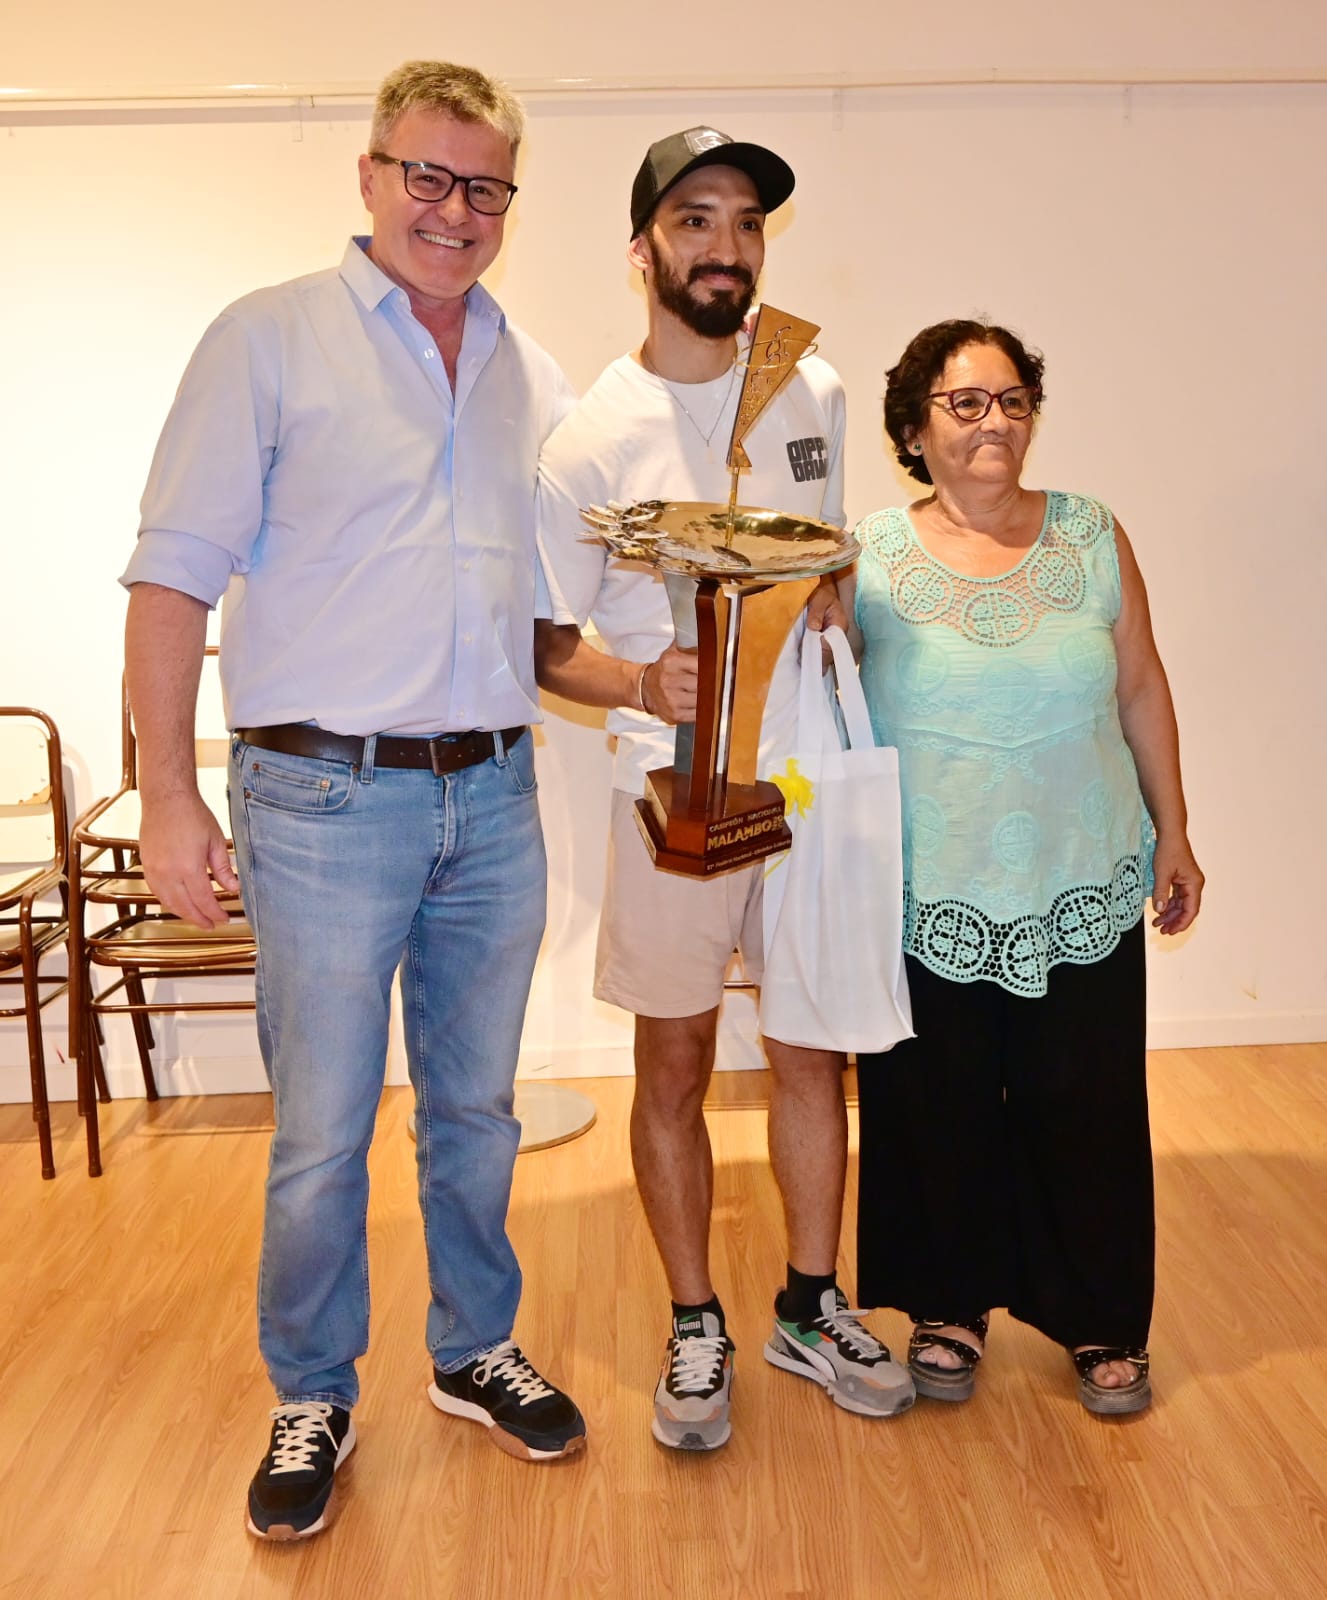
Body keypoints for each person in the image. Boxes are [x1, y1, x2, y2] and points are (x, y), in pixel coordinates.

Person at [121, 60, 587, 1543]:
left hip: (494, 796)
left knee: (477, 1112)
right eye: (428, 177)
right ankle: (313, 1387)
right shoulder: (267, 339)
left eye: (486, 187)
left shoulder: (530, 372)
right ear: (371, 176)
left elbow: (541, 606)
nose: (455, 212)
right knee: (322, 1129)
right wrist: (165, 795)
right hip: (320, 797)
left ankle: (471, 1351)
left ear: (511, 199)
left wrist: (657, 677)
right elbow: (171, 575)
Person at [534, 126, 915, 1452]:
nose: (724, 246)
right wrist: (642, 688)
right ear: (642, 249)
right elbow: (544, 639)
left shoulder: (804, 385)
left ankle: (809, 1303)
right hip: (669, 794)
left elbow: (826, 564)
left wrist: (830, 591)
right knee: (677, 1056)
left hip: (801, 781)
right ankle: (695, 1320)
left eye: (744, 221)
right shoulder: (590, 435)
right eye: (693, 220)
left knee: (815, 1048)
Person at [840, 319, 1204, 1415]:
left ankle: (1099, 1322)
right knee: (934, 1100)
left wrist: (1173, 829)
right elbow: (820, 709)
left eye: (1010, 400)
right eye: (964, 403)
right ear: (914, 426)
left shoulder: (1092, 532)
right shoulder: (867, 553)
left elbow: (1139, 684)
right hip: (926, 882)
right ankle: (948, 1304)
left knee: (1081, 1100)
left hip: (1078, 868)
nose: (993, 421)